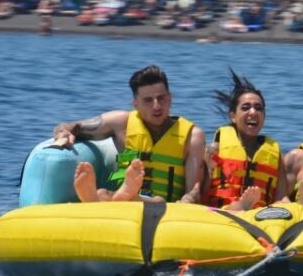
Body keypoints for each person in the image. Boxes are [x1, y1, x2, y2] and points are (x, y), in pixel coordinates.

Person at [54, 65, 206, 203]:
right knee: (103, 194)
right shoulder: (121, 123)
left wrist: (187, 200)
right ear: (135, 104)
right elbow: (72, 126)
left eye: (161, 98)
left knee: (157, 201)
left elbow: (193, 192)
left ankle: (114, 198)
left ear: (170, 98)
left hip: (164, 208)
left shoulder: (192, 136)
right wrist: (63, 132)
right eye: (147, 100)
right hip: (121, 201)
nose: (156, 106)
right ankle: (101, 197)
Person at [203, 68, 287, 211]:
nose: (253, 112)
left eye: (258, 108)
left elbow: (280, 197)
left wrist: (292, 208)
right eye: (246, 107)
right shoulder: (215, 148)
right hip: (221, 214)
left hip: (260, 218)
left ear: (264, 117)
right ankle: (240, 207)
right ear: (233, 116)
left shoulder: (274, 153)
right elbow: (202, 192)